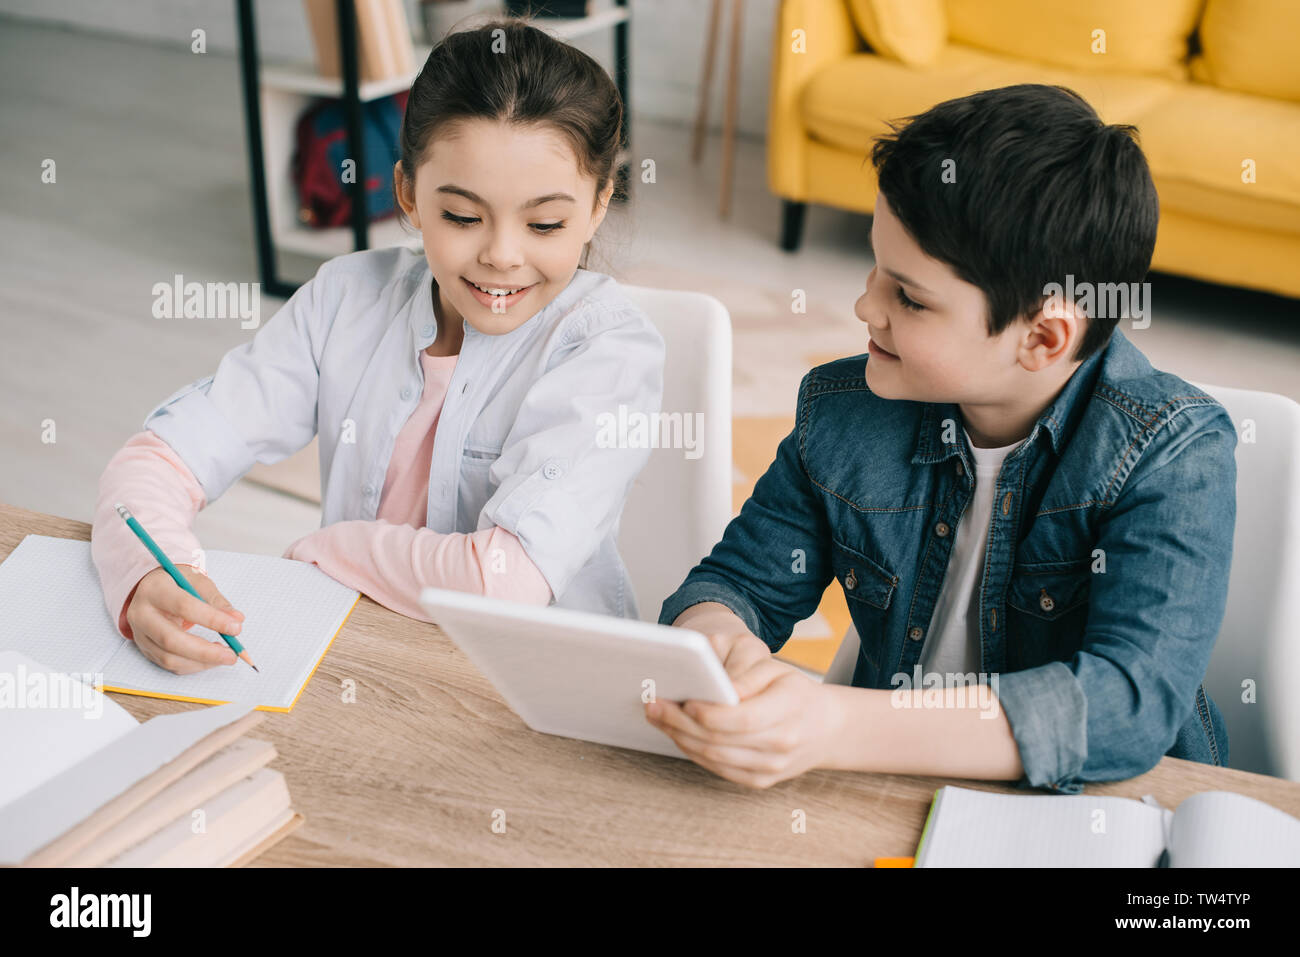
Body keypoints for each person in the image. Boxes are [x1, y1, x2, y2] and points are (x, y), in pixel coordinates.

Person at [651, 84, 1236, 794]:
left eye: (910, 297)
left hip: (1101, 806)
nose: (866, 305)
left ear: (1044, 336)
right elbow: (734, 584)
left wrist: (836, 723)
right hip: (891, 784)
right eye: (875, 269)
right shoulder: (844, 411)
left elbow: (1128, 705)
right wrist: (723, 646)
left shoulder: (1171, 454)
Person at [92, 20, 663, 675]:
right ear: (408, 196)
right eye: (462, 216)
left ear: (596, 207)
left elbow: (504, 581)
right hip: (363, 663)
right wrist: (147, 574)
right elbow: (157, 462)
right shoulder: (347, 298)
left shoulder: (609, 351)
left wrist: (330, 549)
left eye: (544, 224)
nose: (503, 254)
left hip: (546, 691)